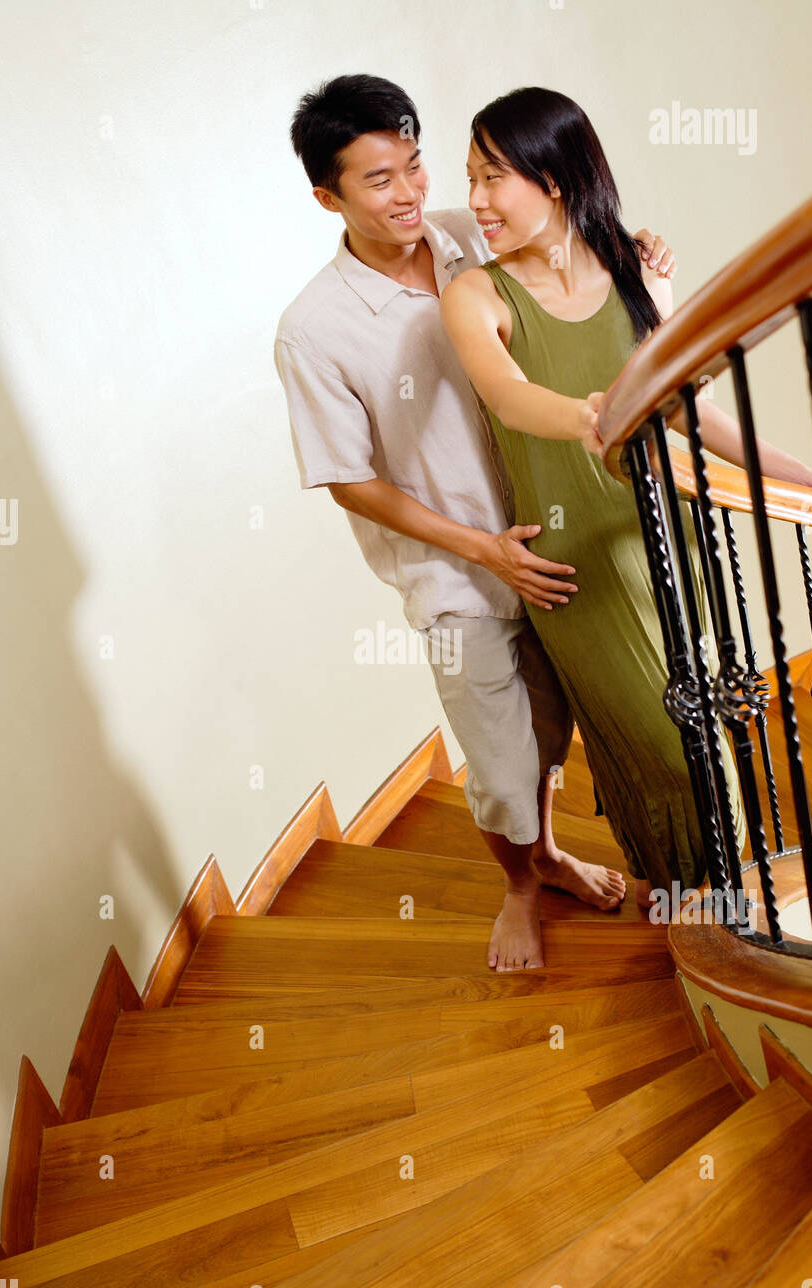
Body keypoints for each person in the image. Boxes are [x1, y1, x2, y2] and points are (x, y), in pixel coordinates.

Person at [274, 74, 678, 970]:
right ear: (326, 196)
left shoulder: (469, 235)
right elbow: (351, 481)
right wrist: (482, 550)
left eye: (417, 166)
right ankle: (525, 886)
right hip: (459, 575)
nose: (413, 193)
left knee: (591, 725)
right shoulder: (315, 329)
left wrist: (629, 250)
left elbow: (564, 253)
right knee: (502, 768)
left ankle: (617, 857)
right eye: (378, 180)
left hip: (565, 536)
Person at [441, 86, 812, 912]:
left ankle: (730, 892)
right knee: (654, 736)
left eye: (491, 176)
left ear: (554, 178)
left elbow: (689, 404)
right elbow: (508, 398)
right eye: (469, 177)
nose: (474, 199)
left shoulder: (635, 268)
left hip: (663, 536)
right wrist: (592, 418)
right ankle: (691, 894)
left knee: (709, 725)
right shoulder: (475, 295)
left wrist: (805, 477)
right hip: (575, 562)